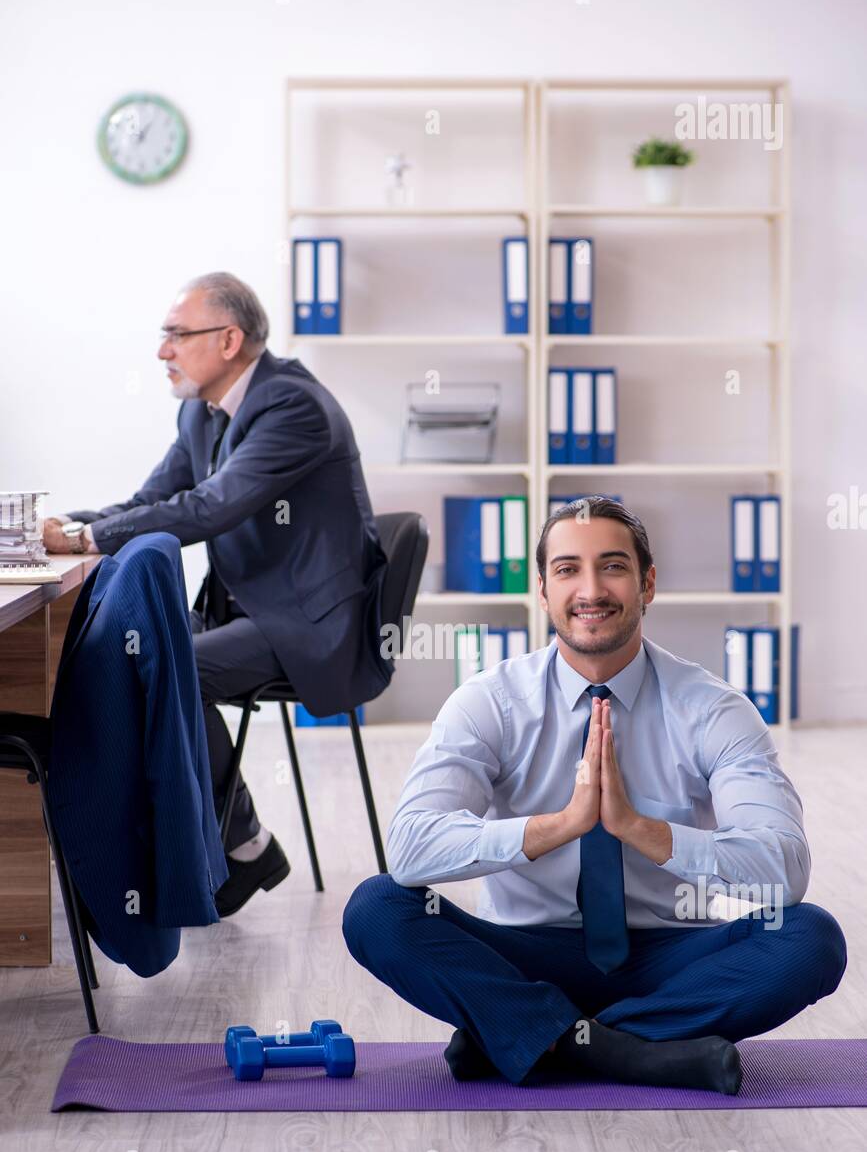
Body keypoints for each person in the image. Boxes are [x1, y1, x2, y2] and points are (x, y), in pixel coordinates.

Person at [342, 497, 846, 1093]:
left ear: (646, 583)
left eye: (611, 566)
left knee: (810, 938)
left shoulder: (715, 710)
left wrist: (642, 831)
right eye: (567, 570)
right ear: (543, 590)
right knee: (378, 907)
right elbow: (410, 848)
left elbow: (783, 869)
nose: (591, 589)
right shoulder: (489, 702)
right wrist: (555, 827)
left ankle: (530, 1034)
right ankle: (631, 1051)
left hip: (669, 955)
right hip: (522, 955)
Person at [45, 272, 392, 918]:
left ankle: (233, 847)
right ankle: (226, 846)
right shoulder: (201, 412)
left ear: (229, 339)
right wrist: (70, 527)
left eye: (177, 334)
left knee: (174, 668)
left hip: (310, 623)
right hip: (252, 612)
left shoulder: (293, 406)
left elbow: (210, 509)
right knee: (122, 657)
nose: (162, 351)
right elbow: (155, 500)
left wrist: (89, 536)